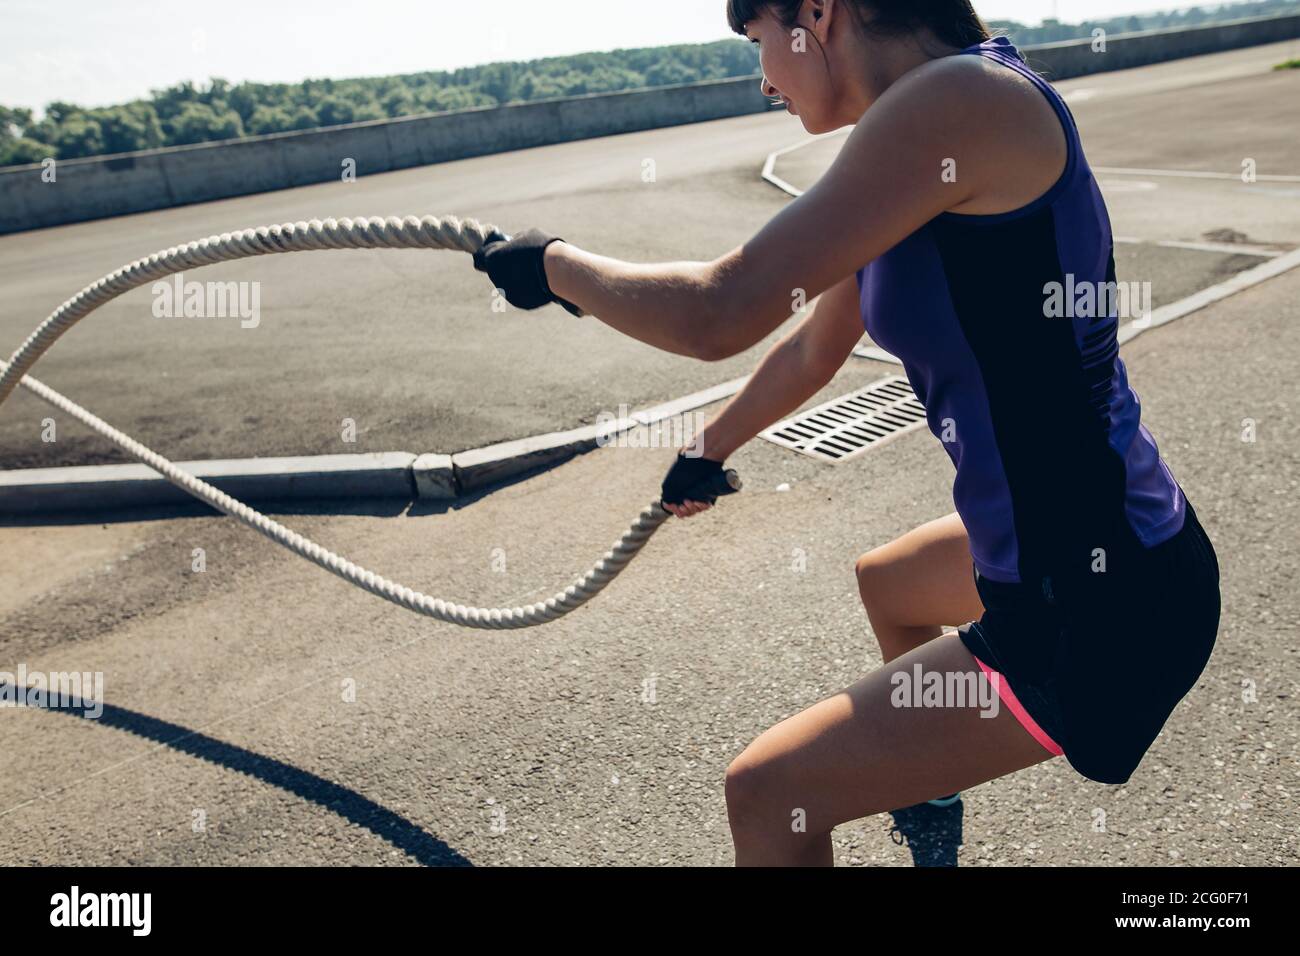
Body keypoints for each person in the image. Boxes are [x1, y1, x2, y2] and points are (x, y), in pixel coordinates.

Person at [473, 0, 1221, 867]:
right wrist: (708, 448)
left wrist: (554, 265)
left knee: (769, 794)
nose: (764, 81)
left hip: (1099, 602)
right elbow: (813, 347)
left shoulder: (959, 101)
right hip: (1103, 544)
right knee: (887, 585)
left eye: (758, 43)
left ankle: (925, 771)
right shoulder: (919, 134)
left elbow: (721, 310)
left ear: (817, 13)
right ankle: (930, 800)